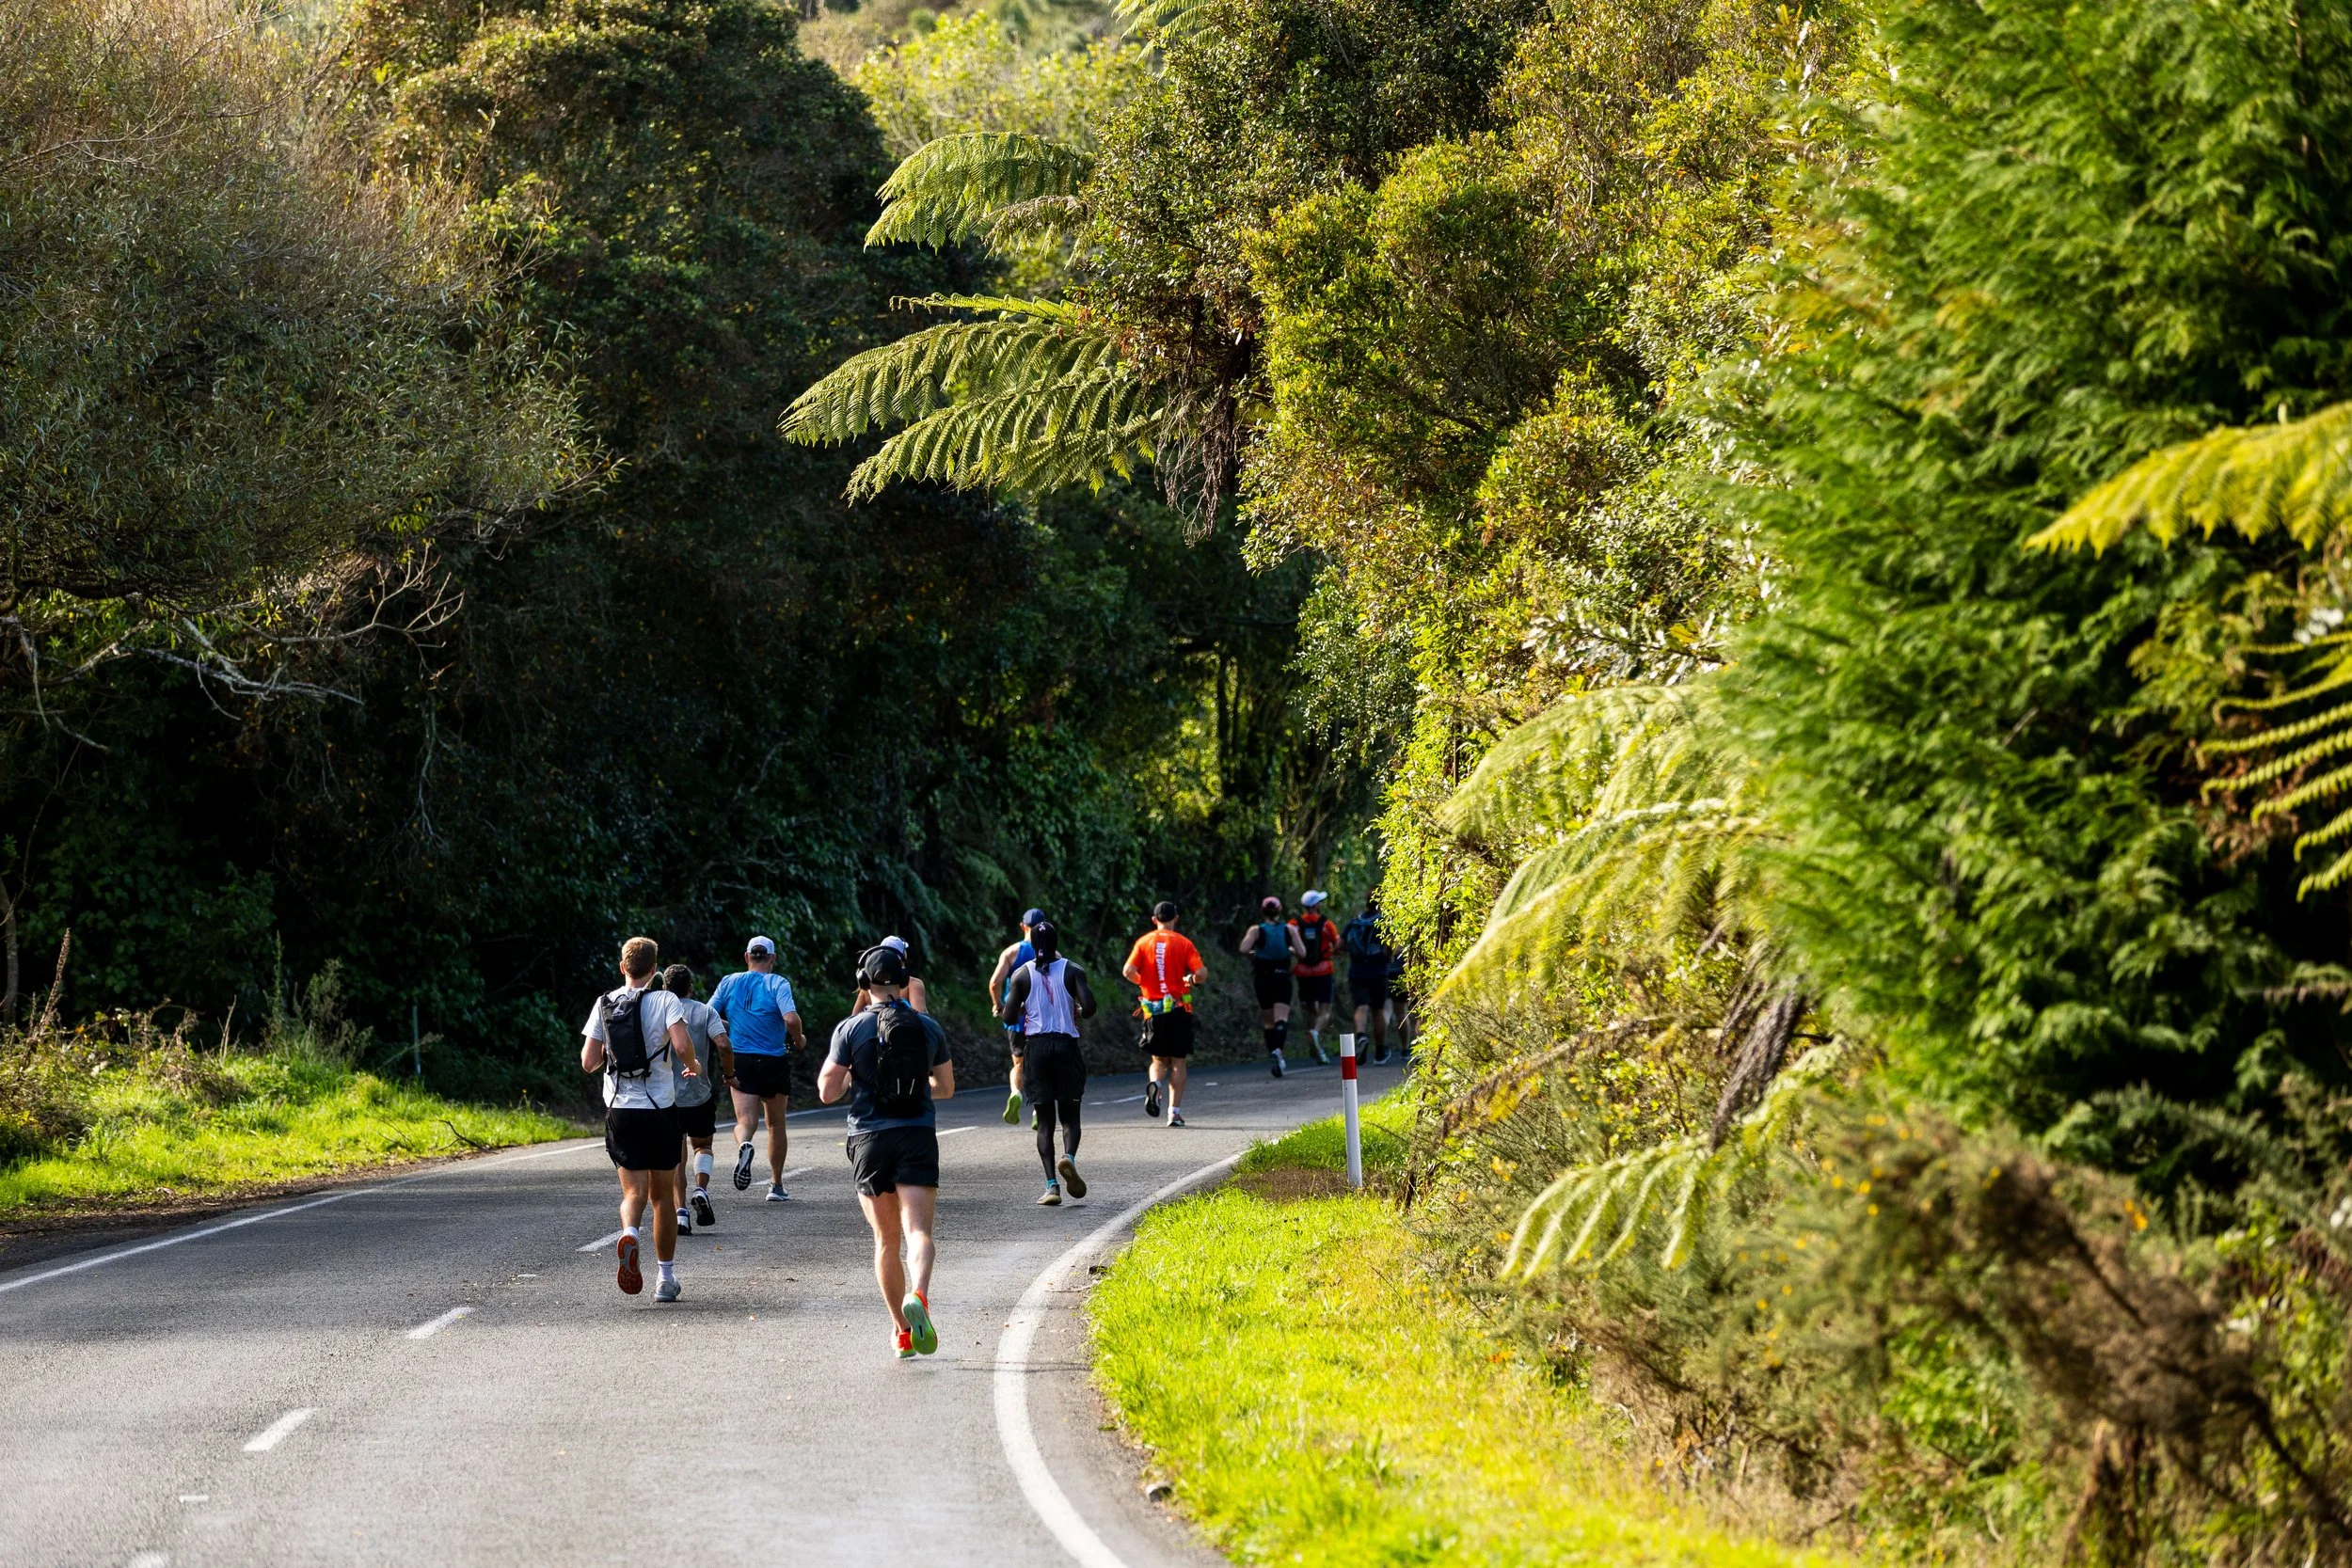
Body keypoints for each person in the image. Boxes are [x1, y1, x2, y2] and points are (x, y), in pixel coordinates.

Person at [818, 942, 955, 1360]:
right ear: (903, 980)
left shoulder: (850, 1028)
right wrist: (919, 1082)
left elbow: (826, 1091)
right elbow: (946, 1089)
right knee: (919, 1232)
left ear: (864, 982)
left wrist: (852, 1081)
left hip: (868, 1140)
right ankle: (921, 1295)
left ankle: (900, 1332)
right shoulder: (928, 1028)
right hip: (915, 1134)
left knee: (884, 1239)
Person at [580, 936, 700, 1302]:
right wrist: (693, 1065)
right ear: (655, 970)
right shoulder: (665, 999)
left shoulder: (605, 1003)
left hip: (620, 1111)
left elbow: (588, 1062)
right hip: (659, 1111)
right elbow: (680, 1046)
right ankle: (665, 1279)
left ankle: (629, 1232)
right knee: (662, 1198)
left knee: (633, 1192)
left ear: (622, 967)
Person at [996, 921, 1097, 1204]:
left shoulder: (1021, 975)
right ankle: (1070, 1157)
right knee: (1070, 1116)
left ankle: (1052, 1185)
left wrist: (1027, 1006)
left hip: (1037, 1050)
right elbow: (1089, 1009)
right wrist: (1075, 1007)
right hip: (1066, 1047)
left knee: (1044, 1123)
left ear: (1032, 944)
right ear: (1056, 943)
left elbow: (1007, 1017)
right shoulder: (1073, 970)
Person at [708, 935, 805, 1201]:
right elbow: (790, 1018)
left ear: (747, 957)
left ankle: (745, 1144)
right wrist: (798, 1039)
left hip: (739, 1059)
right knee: (776, 1124)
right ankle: (776, 1185)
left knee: (745, 1121)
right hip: (773, 1060)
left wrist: (732, 1027)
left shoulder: (729, 981)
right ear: (772, 958)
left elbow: (709, 1014)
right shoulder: (777, 982)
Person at [1122, 900, 1205, 1127]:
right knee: (1178, 1062)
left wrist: (1145, 983)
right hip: (1179, 1009)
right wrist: (1191, 981)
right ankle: (1174, 1113)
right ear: (1175, 918)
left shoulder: (1143, 942)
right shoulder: (1183, 943)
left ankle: (1156, 1085)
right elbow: (1201, 972)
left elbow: (1127, 971)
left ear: (1154, 920)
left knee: (1158, 1059)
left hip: (1154, 1011)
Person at [662, 964, 732, 1234]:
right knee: (702, 1146)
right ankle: (701, 1189)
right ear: (690, 987)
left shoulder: (661, 1012)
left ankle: (681, 1214)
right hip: (700, 1094)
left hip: (668, 1097)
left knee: (676, 1158)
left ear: (665, 989)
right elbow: (724, 1045)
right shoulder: (705, 1011)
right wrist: (730, 1074)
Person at [986, 909, 1045, 1125]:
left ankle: (1016, 1093)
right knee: (1040, 1064)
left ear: (1023, 926)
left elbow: (994, 983)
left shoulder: (1011, 952)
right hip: (1041, 1018)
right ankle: (1038, 1109)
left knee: (1019, 1064)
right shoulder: (1052, 954)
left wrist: (998, 1005)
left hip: (1016, 1019)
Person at [1237, 895, 1295, 1077]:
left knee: (1268, 1020)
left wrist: (1256, 954)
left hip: (1262, 978)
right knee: (1281, 1018)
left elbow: (1243, 949)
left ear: (1263, 912)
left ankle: (1273, 1053)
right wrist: (1289, 951)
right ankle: (1279, 1051)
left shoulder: (1256, 930)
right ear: (1280, 911)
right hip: (1282, 976)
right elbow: (1303, 952)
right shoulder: (1289, 929)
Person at [1343, 895, 1396, 1065]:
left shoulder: (1354, 922)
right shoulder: (1382, 922)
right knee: (1378, 1010)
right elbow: (1390, 947)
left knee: (1361, 1007)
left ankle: (1361, 1036)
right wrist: (1388, 957)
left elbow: (1338, 945)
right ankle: (1380, 1051)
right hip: (1378, 972)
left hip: (1357, 971)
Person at [1289, 890, 1339, 1064]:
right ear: (1316, 905)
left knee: (1310, 1007)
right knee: (1325, 1010)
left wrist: (1297, 954)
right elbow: (1337, 942)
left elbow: (1287, 945)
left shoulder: (1294, 924)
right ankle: (1316, 1033)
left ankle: (1313, 1048)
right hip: (1324, 970)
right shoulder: (1326, 924)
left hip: (1303, 971)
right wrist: (1332, 951)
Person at [852, 935, 931, 1014]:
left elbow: (854, 1017)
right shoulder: (914, 984)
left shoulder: (867, 986)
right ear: (903, 956)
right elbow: (921, 1017)